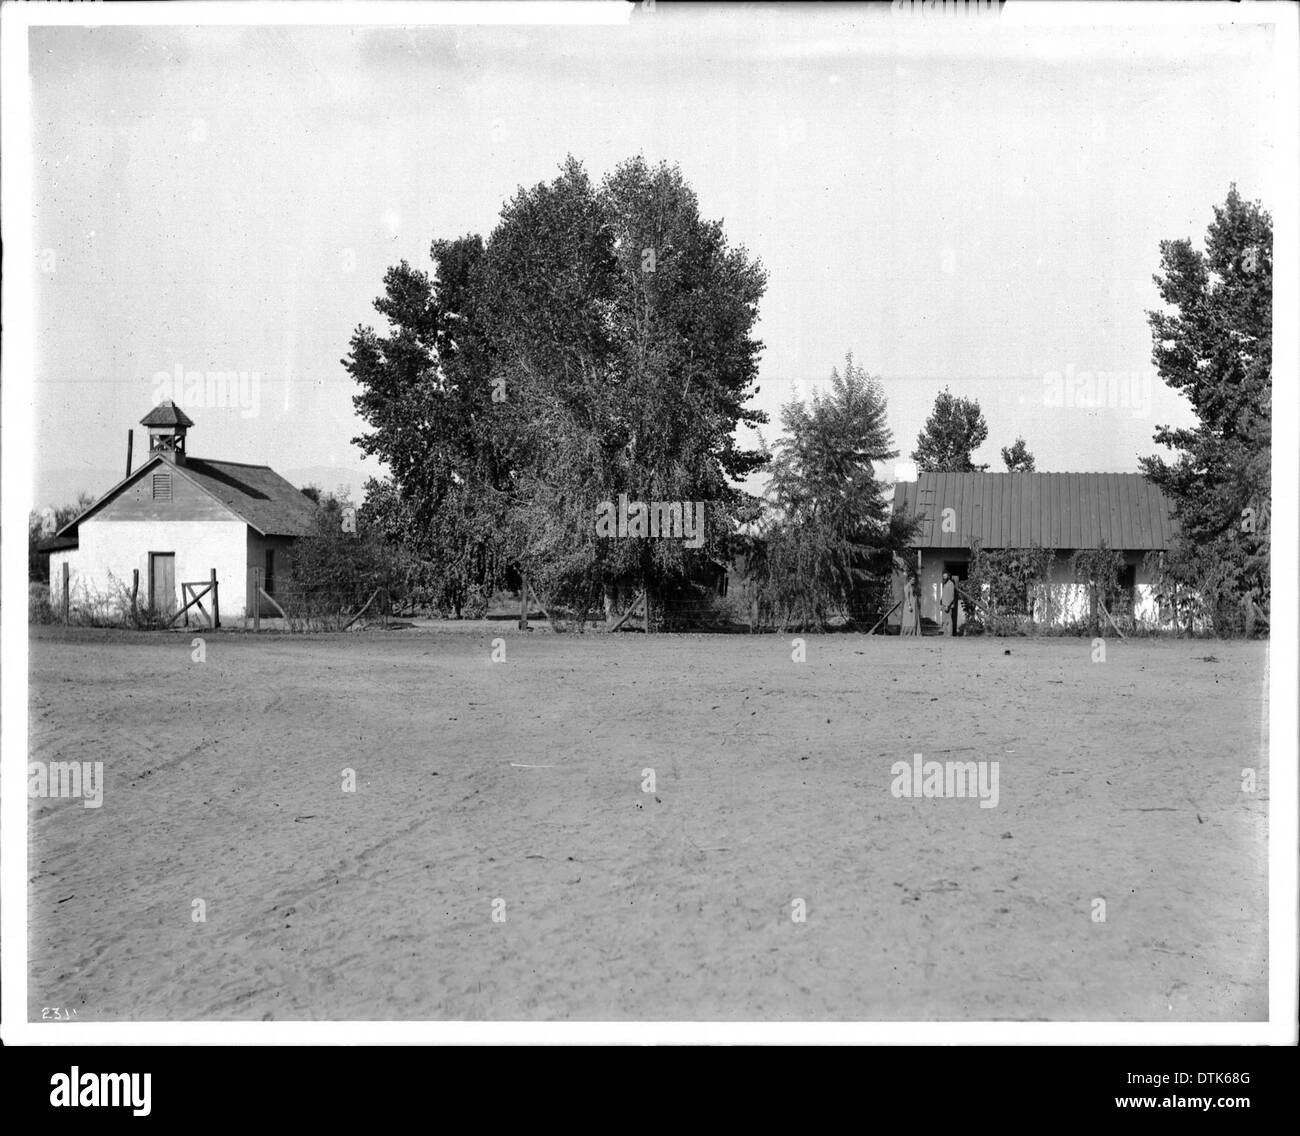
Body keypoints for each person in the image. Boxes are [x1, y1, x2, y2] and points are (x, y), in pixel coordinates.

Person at [940, 572, 958, 636]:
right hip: (943, 604)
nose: (944, 577)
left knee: (949, 620)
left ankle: (949, 634)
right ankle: (945, 633)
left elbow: (951, 596)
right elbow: (944, 595)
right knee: (944, 620)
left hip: (948, 605)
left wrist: (947, 605)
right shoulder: (945, 584)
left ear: (948, 576)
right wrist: (941, 604)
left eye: (945, 576)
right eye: (943, 576)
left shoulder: (951, 584)